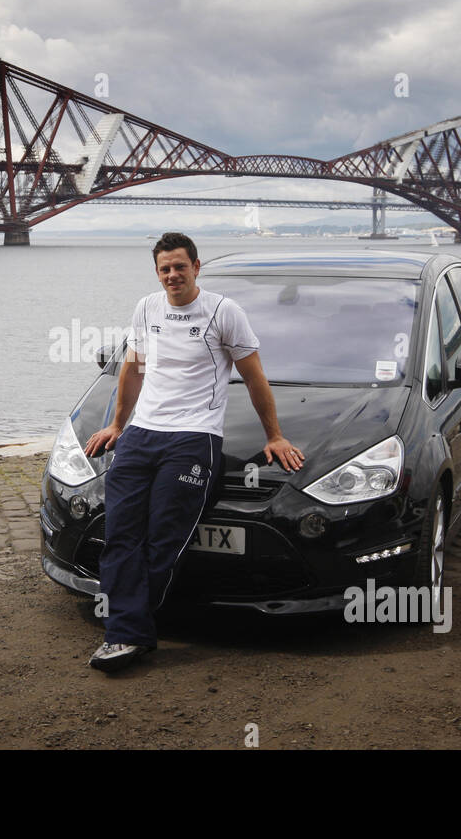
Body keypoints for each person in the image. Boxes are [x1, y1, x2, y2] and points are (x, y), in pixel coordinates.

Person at [82, 232, 304, 672]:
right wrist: (117, 424)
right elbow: (133, 368)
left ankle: (125, 632)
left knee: (165, 537)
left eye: (180, 266)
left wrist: (274, 435)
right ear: (158, 273)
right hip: (142, 434)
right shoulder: (147, 307)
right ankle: (129, 628)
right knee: (121, 534)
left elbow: (255, 377)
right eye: (165, 268)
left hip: (193, 438)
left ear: (196, 267)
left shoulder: (224, 312)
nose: (172, 275)